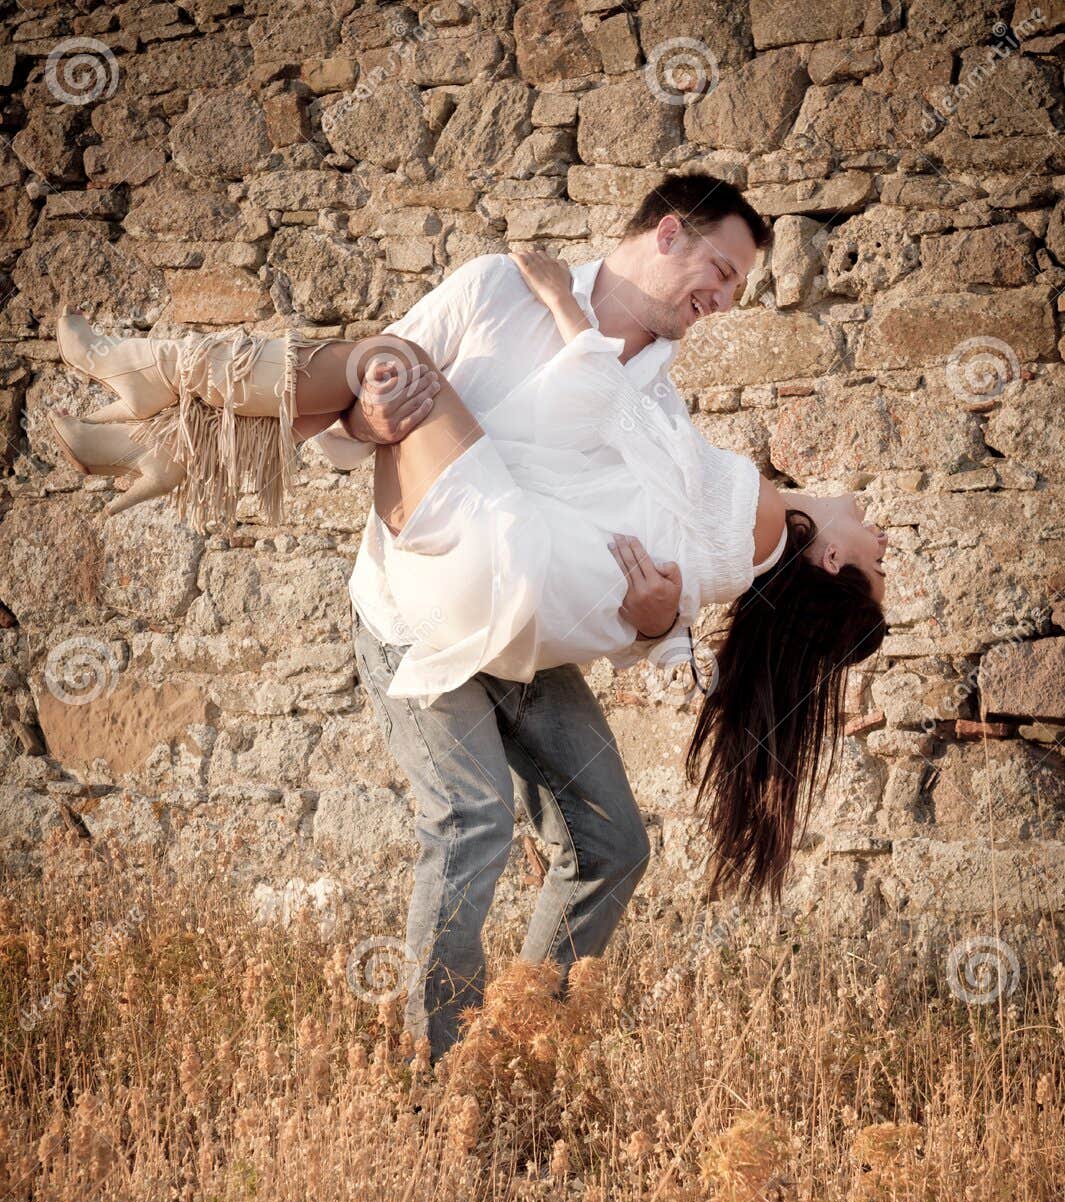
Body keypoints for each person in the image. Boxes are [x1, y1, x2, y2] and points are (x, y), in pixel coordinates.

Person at [48, 174, 884, 1057]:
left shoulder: (660, 399)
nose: (721, 300)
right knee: (476, 816)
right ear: (667, 234)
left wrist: (653, 623)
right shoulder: (494, 288)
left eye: (736, 288)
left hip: (509, 599)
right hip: (425, 600)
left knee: (605, 841)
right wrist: (371, 423)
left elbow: (657, 535)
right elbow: (339, 431)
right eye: (720, 270)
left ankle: (512, 1043)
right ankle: (446, 1060)